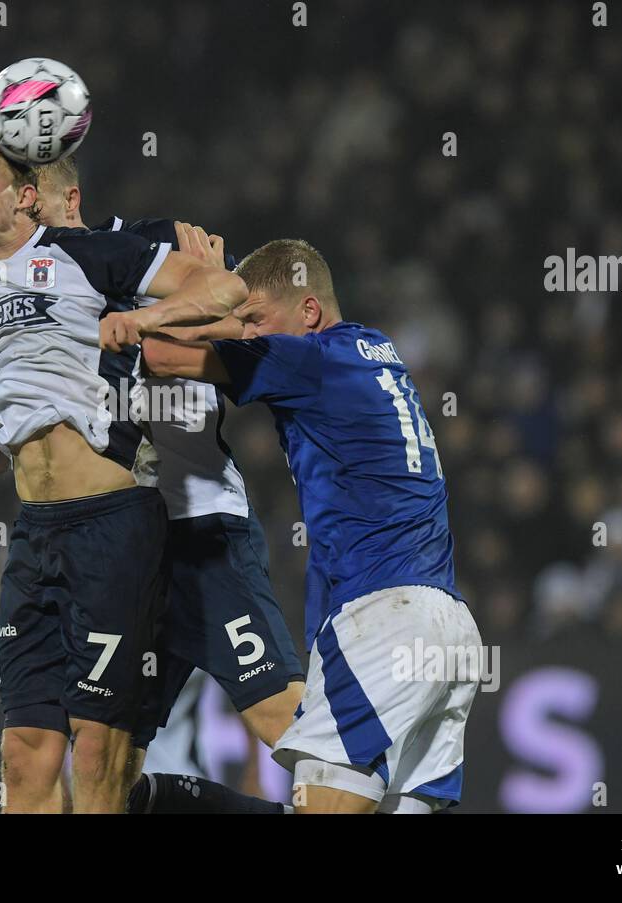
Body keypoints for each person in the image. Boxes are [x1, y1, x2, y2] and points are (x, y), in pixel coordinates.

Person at [0, 157, 305, 814]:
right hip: (112, 539)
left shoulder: (149, 264)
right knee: (105, 773)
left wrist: (170, 317)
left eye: (40, 211)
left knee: (276, 716)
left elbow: (245, 319)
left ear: (58, 200)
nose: (38, 239)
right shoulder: (36, 313)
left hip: (199, 527)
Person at [124, 239, 483, 814]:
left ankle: (158, 799)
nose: (245, 334)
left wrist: (187, 294)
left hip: (380, 615)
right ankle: (157, 799)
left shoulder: (309, 360)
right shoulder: (375, 352)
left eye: (256, 319)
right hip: (447, 625)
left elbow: (163, 356)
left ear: (308, 312)